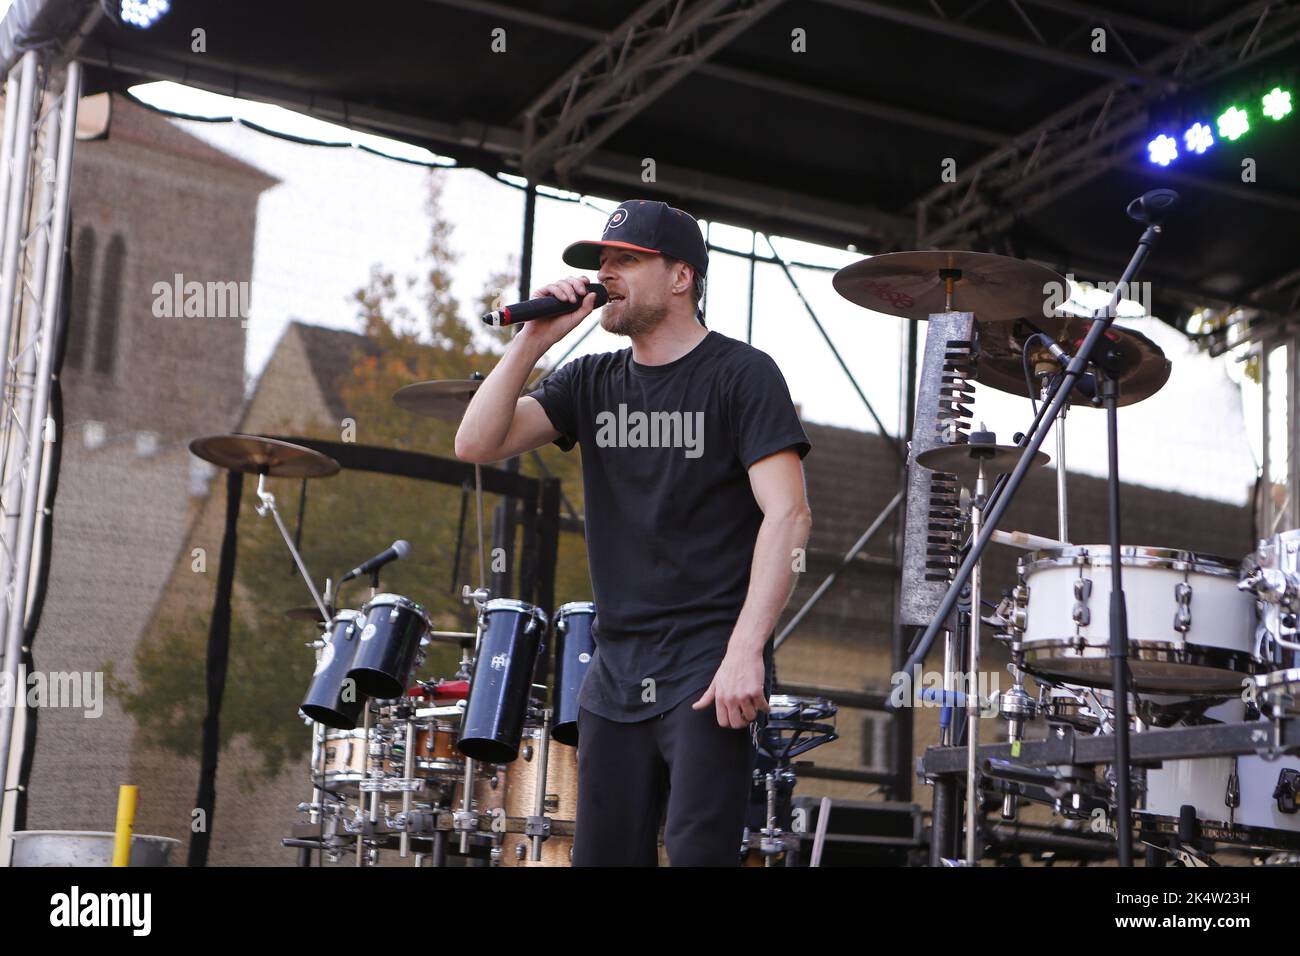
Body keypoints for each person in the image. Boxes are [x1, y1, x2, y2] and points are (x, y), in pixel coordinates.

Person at [455, 199, 811, 865]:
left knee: (699, 854)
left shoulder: (741, 375)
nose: (606, 273)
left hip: (706, 667)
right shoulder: (589, 381)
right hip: (613, 674)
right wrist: (532, 341)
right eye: (601, 262)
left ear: (680, 277)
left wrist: (746, 651)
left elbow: (790, 515)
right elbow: (475, 443)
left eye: (625, 260)